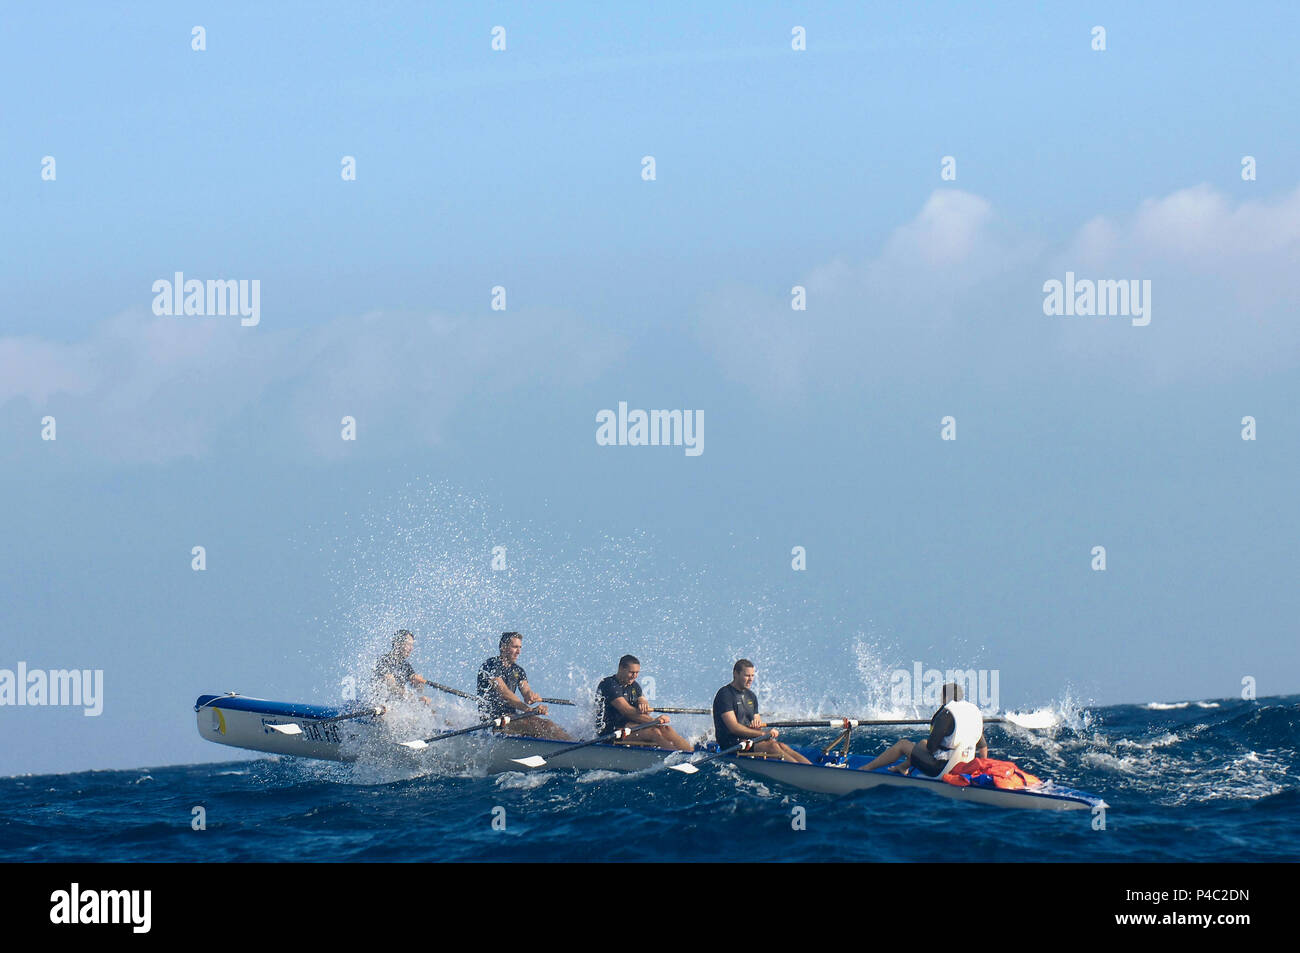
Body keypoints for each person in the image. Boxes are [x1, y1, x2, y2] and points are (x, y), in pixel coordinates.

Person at [859, 682, 988, 776]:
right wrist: (981, 768)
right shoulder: (969, 714)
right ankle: (902, 768)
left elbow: (931, 748)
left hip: (941, 768)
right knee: (921, 745)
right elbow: (983, 747)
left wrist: (920, 745)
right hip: (965, 766)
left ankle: (866, 768)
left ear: (945, 697)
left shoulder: (947, 714)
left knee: (904, 744)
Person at [711, 659, 811, 764]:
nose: (750, 679)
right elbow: (734, 728)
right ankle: (798, 770)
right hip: (731, 744)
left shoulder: (751, 696)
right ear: (736, 673)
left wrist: (758, 728)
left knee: (781, 746)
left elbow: (758, 725)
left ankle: (810, 768)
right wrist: (763, 733)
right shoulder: (725, 694)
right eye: (747, 676)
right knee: (772, 746)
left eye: (752, 676)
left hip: (749, 740)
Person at [476, 632, 571, 741]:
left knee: (547, 724)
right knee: (534, 724)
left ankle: (575, 744)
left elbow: (526, 692)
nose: (519, 652)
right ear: (503, 647)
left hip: (512, 717)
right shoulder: (490, 665)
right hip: (494, 720)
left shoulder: (518, 671)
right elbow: (504, 693)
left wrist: (531, 696)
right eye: (515, 647)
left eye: (520, 647)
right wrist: (528, 710)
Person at [594, 655, 692, 752]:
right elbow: (627, 711)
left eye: (637, 672)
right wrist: (654, 720)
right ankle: (676, 758)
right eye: (631, 672)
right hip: (611, 731)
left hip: (629, 726)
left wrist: (643, 702)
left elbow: (643, 705)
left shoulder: (634, 685)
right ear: (621, 668)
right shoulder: (609, 684)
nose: (635, 676)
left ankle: (690, 753)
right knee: (654, 732)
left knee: (666, 729)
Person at [372, 630, 434, 706]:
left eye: (412, 645)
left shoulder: (405, 665)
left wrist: (419, 683)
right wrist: (415, 699)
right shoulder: (384, 661)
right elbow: (392, 688)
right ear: (398, 644)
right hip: (382, 706)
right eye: (408, 644)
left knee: (432, 711)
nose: (411, 649)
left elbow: (418, 689)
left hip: (396, 706)